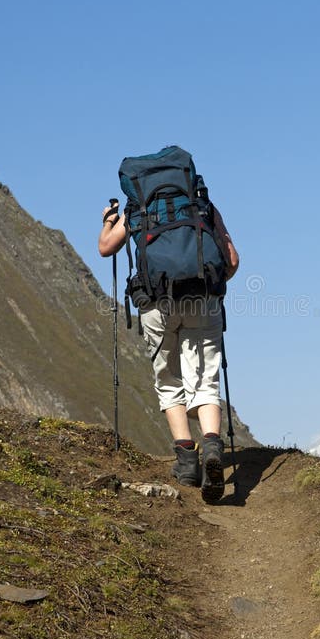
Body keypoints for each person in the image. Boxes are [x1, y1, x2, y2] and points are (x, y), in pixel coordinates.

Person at [98, 190, 239, 503]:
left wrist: (108, 223)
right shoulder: (202, 205)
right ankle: (213, 446)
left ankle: (187, 461)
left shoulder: (138, 208)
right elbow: (232, 260)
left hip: (156, 303)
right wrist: (215, 287)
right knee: (205, 381)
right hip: (202, 299)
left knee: (168, 379)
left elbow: (106, 248)